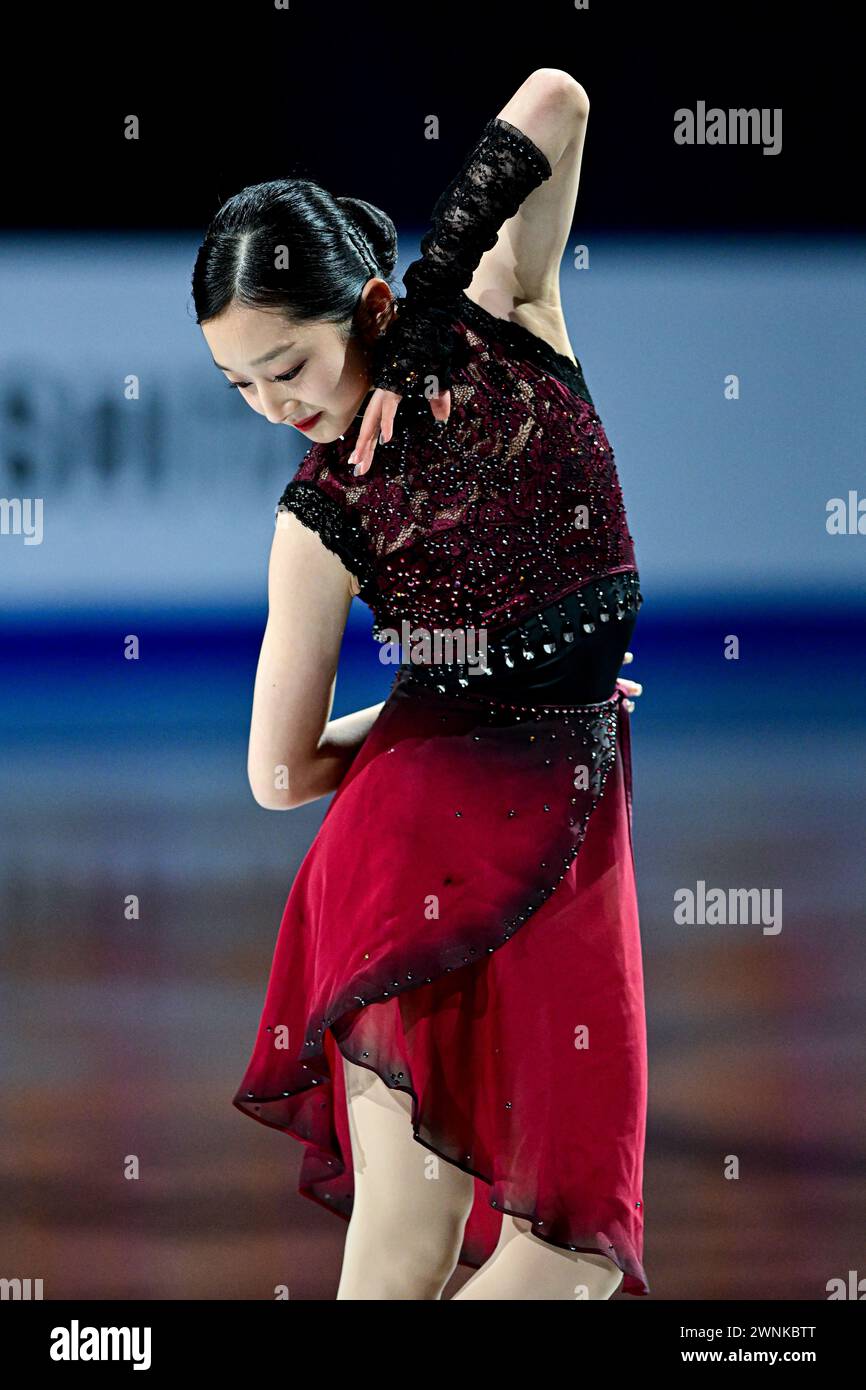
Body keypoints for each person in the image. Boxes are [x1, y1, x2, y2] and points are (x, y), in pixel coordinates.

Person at [192, 67, 649, 1300]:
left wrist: (433, 313)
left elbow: (557, 97)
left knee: (566, 1258)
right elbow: (278, 774)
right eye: (241, 385)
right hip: (414, 857)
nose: (275, 407)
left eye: (285, 364)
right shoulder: (319, 512)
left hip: (563, 822)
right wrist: (453, 714)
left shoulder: (510, 309)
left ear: (373, 303)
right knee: (424, 1250)